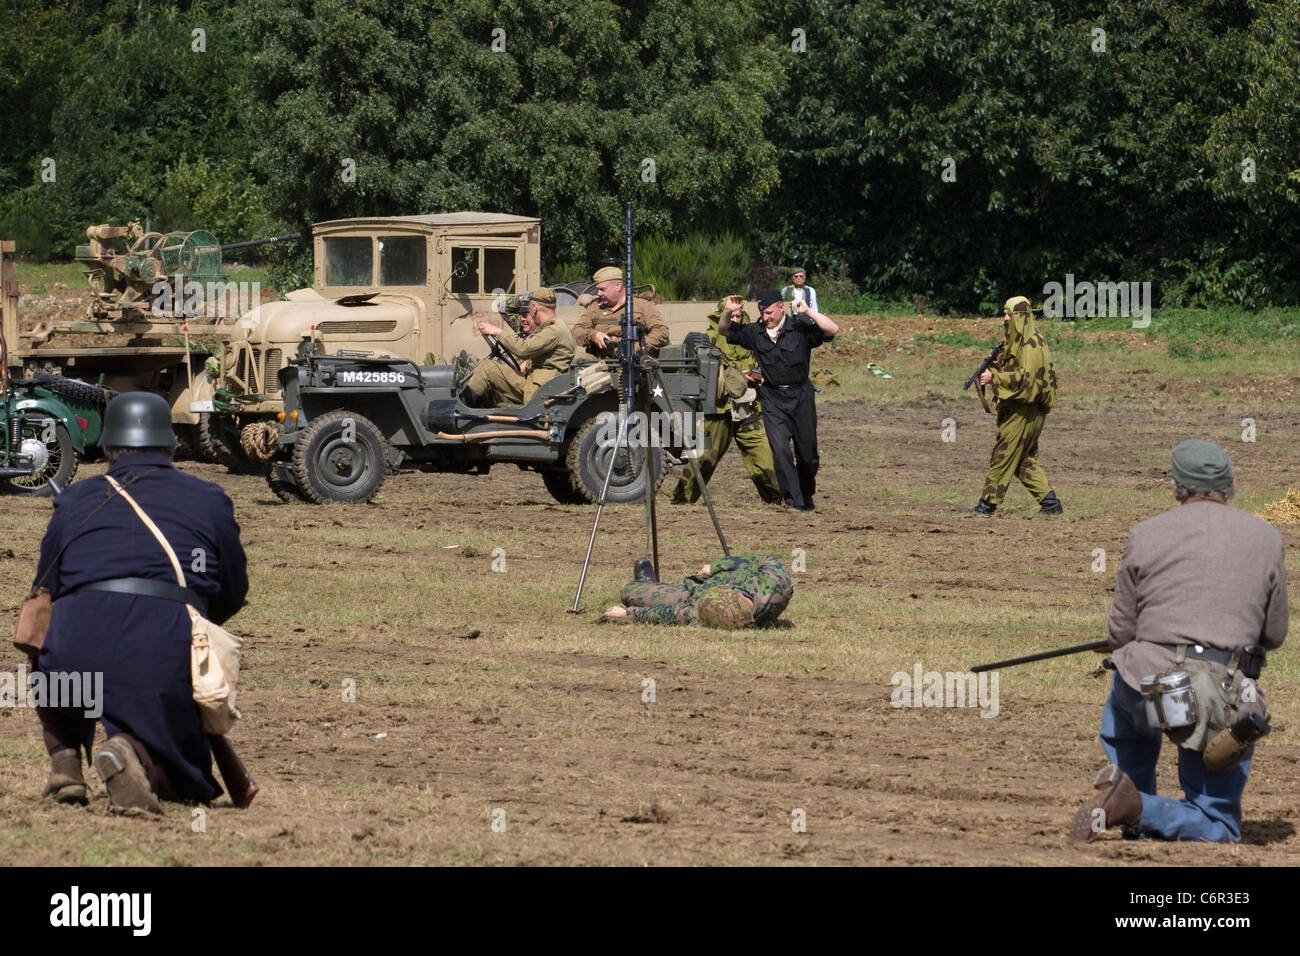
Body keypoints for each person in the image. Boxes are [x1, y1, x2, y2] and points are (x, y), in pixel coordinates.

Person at [30, 392, 248, 812]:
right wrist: (191, 622)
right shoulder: (208, 498)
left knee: (46, 649)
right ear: (170, 445)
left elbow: (44, 590)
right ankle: (129, 753)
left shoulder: (74, 499)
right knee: (182, 774)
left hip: (73, 644)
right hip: (164, 640)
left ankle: (65, 760)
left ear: (109, 447)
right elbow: (233, 590)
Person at [1071, 440, 1287, 843]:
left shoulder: (1145, 533)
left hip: (1147, 683)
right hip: (1212, 694)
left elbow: (1120, 633)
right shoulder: (1267, 538)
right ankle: (1138, 808)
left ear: (1175, 488)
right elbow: (1273, 635)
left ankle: (1128, 798)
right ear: (1233, 484)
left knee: (1129, 713)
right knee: (1218, 825)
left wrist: (1127, 644)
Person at [717, 291, 838, 511]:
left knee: (808, 456)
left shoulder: (799, 327)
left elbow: (832, 330)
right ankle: (794, 503)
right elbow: (724, 330)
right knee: (780, 451)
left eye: (770, 312)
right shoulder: (756, 332)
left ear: (781, 307)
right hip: (772, 398)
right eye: (763, 313)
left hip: (801, 396)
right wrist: (727, 311)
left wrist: (808, 311)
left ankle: (806, 493)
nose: (766, 317)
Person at [671, 296, 782, 505]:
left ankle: (778, 501)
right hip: (719, 411)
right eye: (732, 315)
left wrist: (755, 374)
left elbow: (765, 365)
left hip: (749, 409)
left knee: (763, 457)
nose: (736, 319)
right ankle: (681, 501)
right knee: (704, 458)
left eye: (739, 315)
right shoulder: (707, 340)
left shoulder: (753, 339)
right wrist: (739, 374)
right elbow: (705, 372)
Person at [969, 295, 1062, 515]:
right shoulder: (1022, 339)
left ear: (1020, 316)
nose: (1005, 317)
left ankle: (986, 505)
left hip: (1024, 411)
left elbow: (1025, 381)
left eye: (1009, 313)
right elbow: (1018, 370)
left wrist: (994, 378)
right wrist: (999, 365)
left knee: (1003, 455)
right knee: (1023, 459)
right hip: (1025, 410)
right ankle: (1051, 504)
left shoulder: (1030, 345)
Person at [602, 555, 793, 627]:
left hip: (690, 596)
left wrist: (628, 614)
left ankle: (647, 584)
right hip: (704, 584)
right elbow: (763, 560)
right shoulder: (776, 582)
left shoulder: (707, 613)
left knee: (629, 593)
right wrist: (716, 567)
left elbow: (673, 614)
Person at [462, 287, 575, 406]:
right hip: (536, 385)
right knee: (488, 369)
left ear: (534, 308)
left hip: (539, 392)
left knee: (487, 369)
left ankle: (459, 410)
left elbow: (523, 349)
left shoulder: (554, 330)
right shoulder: (551, 327)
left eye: (528, 311)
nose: (523, 318)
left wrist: (497, 331)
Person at [571, 266, 669, 359]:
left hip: (635, 366)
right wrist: (593, 335)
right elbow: (576, 331)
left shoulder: (642, 304)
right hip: (603, 367)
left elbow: (661, 332)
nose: (598, 294)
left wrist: (635, 348)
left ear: (618, 286)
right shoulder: (595, 306)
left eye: (602, 289)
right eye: (598, 289)